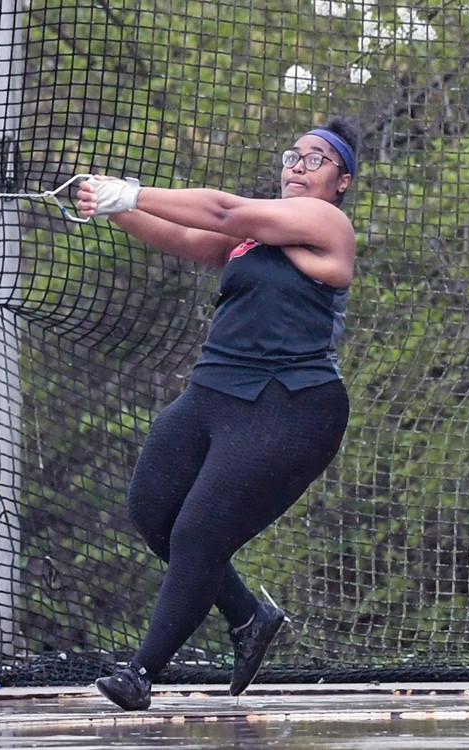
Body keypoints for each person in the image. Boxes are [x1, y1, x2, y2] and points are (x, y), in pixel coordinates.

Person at [76, 116, 360, 711]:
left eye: (315, 160)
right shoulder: (256, 241)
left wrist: (130, 189)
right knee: (153, 511)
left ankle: (141, 672)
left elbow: (224, 212)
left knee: (199, 532)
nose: (297, 167)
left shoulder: (326, 223)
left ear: (342, 183)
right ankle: (248, 615)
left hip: (293, 404)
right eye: (292, 157)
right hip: (214, 393)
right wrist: (108, 205)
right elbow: (188, 238)